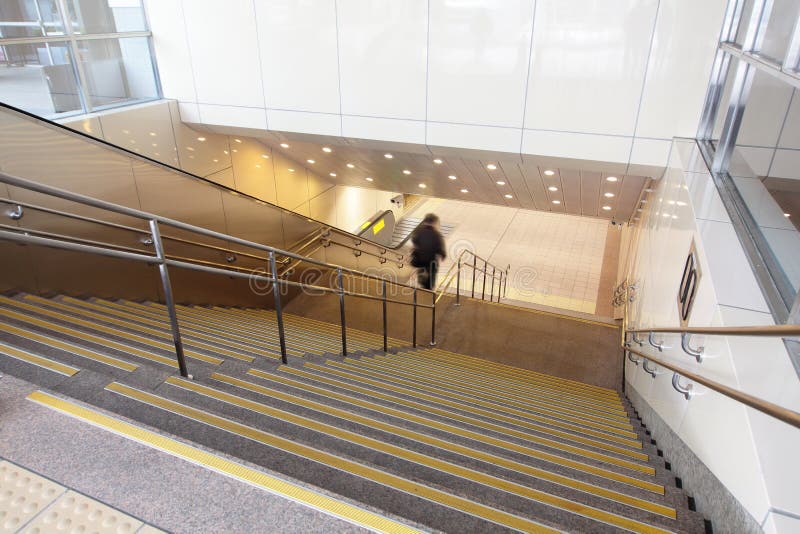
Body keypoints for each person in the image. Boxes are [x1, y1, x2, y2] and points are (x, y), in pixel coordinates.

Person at [410, 213, 446, 290]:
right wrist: (443, 255)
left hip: (420, 259)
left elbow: (414, 241)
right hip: (431, 261)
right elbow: (440, 248)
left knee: (422, 271)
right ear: (434, 223)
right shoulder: (437, 234)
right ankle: (429, 289)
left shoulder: (418, 231)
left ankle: (422, 282)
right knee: (431, 277)